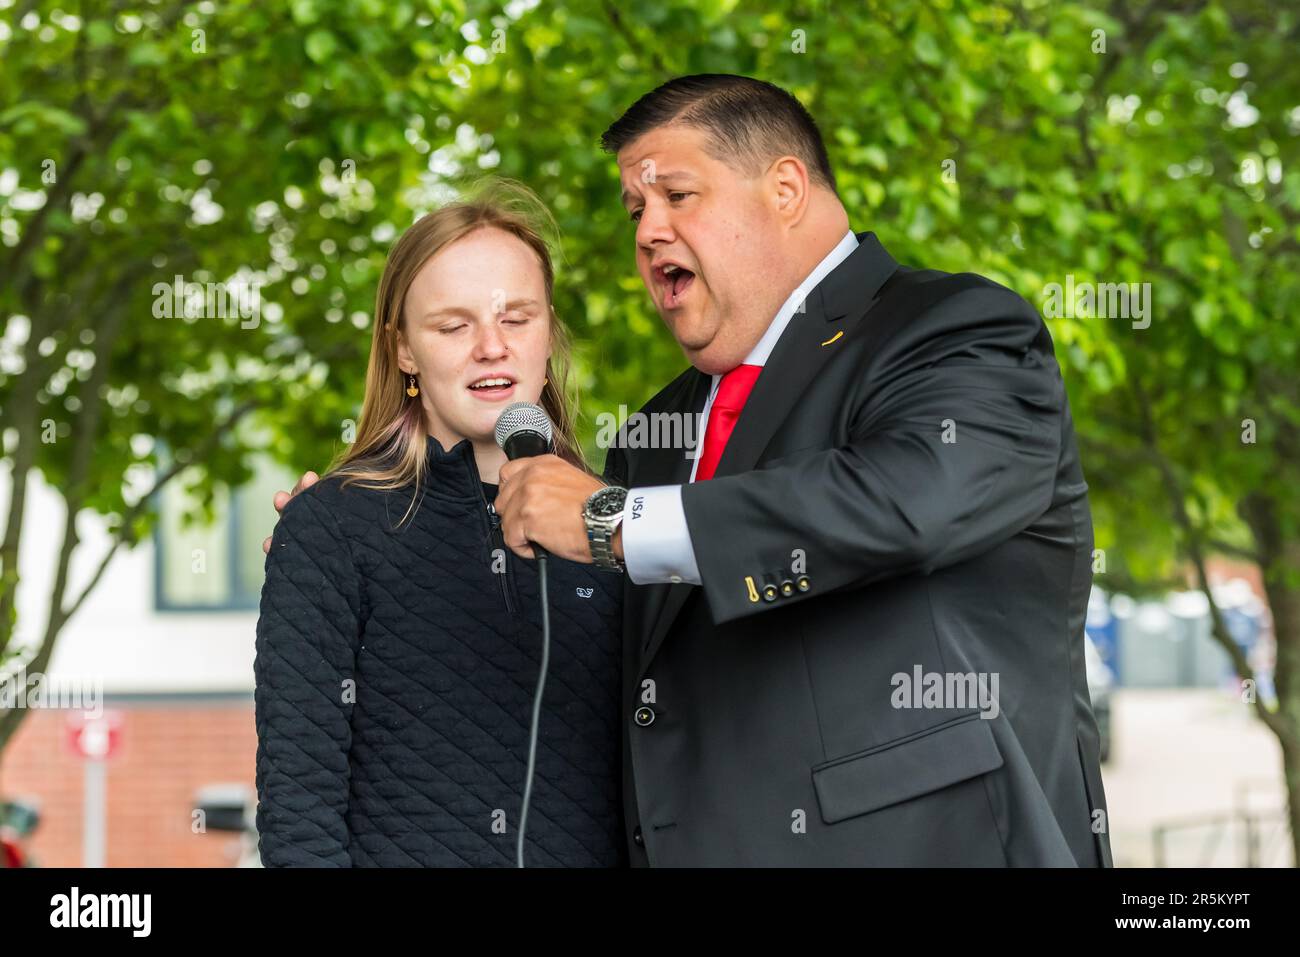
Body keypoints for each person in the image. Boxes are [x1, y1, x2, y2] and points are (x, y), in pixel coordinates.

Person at [271, 75, 1113, 867]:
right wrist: (359, 536)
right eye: (636, 206)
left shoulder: (957, 331)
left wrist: (613, 522)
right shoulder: (652, 436)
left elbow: (908, 498)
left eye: (677, 195)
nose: (645, 231)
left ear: (785, 190)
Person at [254, 180, 625, 867]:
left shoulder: (617, 525)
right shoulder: (332, 528)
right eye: (453, 325)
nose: (492, 346)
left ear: (548, 332)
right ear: (403, 350)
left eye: (517, 317)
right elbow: (300, 806)